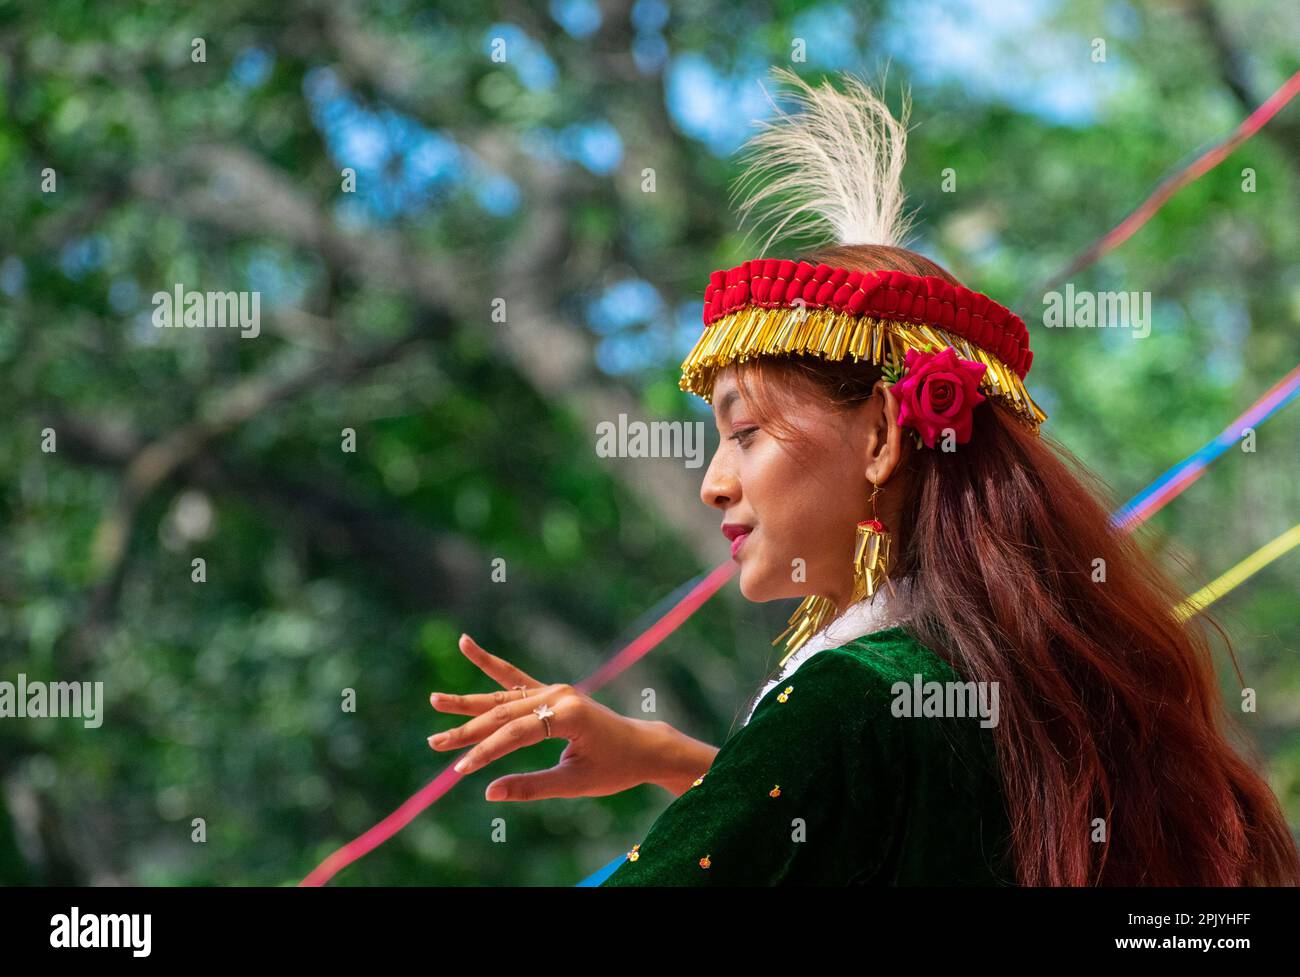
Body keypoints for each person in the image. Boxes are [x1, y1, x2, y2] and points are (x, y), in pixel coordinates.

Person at [427, 69, 1300, 885]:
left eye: (745, 434)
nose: (714, 484)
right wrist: (680, 760)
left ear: (882, 434)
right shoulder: (1013, 692)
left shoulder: (849, 699)